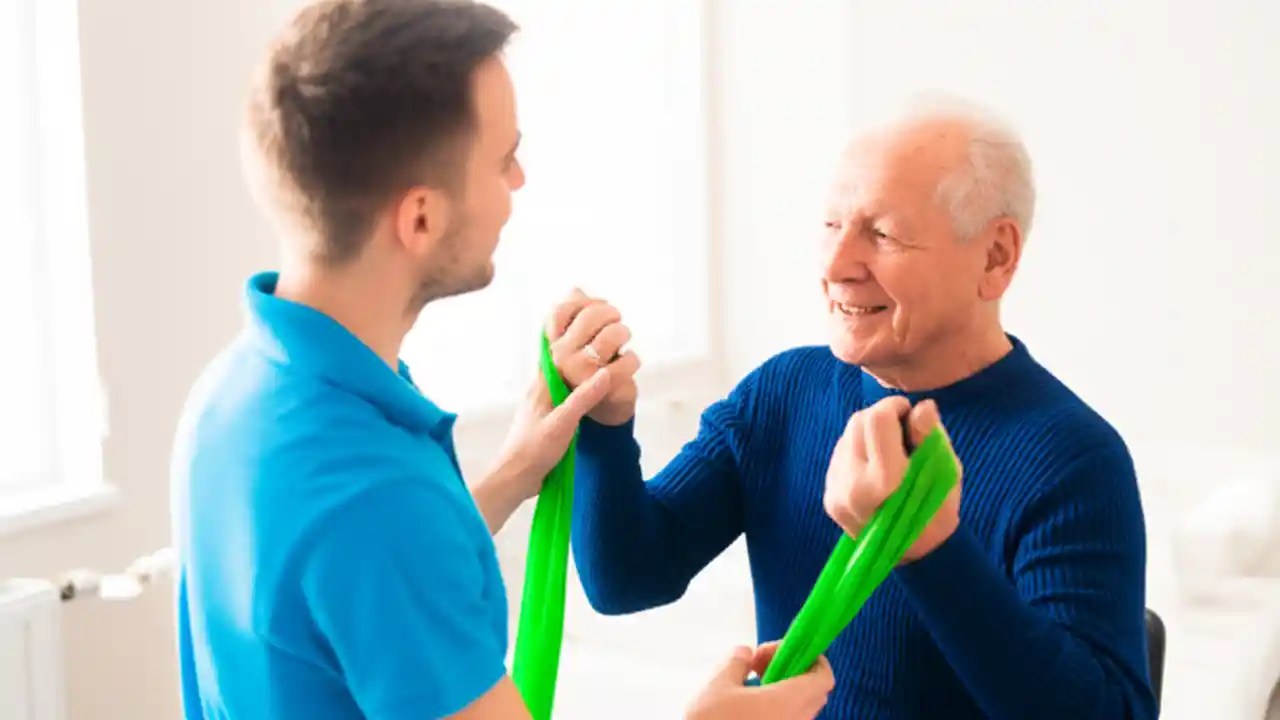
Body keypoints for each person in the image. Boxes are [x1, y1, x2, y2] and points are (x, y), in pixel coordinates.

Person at [169, 1, 833, 718]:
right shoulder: (376, 494)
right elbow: (385, 540)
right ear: (421, 217)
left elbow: (366, 583)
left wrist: (515, 472)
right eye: (503, 159)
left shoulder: (236, 395)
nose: (518, 181)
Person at [559, 97, 1158, 719]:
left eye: (883, 234)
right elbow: (626, 578)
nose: (836, 265)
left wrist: (929, 548)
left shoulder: (1073, 459)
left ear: (994, 256)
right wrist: (605, 424)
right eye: (831, 226)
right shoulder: (784, 392)